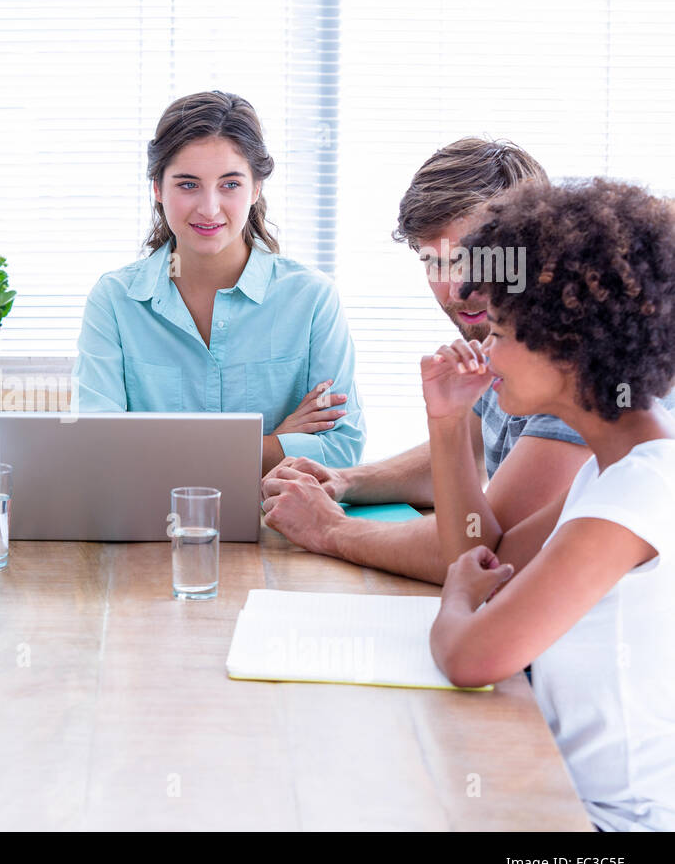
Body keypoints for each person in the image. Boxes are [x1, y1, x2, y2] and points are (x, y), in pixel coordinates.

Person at [260, 138, 666, 583]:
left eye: (472, 259)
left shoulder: (572, 370)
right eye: (433, 262)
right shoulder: (503, 349)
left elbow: (482, 554)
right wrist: (344, 480)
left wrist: (329, 528)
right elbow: (462, 464)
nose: (455, 289)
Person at [424, 178, 675, 831]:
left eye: (502, 331)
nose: (487, 350)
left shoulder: (636, 496)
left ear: (569, 343)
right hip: (561, 798)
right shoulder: (613, 468)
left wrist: (454, 599)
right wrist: (449, 424)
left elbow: (472, 655)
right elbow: (485, 561)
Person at [71, 91, 364, 474]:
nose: (209, 209)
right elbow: (98, 449)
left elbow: (342, 448)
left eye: (230, 184)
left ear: (256, 188)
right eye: (188, 184)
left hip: (281, 527)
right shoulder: (115, 301)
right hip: (155, 529)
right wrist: (272, 443)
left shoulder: (311, 299)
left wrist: (173, 451)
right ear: (158, 189)